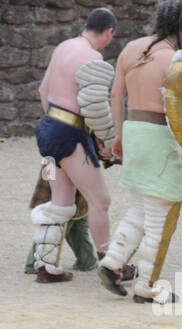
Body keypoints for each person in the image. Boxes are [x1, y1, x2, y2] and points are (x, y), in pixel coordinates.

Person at [97, 1, 182, 304]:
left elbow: (116, 95)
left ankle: (113, 260)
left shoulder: (130, 48)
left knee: (140, 206)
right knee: (162, 212)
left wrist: (118, 134)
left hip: (133, 130)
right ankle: (146, 285)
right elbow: (175, 109)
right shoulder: (176, 57)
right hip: (158, 136)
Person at [31, 7, 117, 283]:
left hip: (47, 134)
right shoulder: (93, 57)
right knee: (100, 200)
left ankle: (44, 268)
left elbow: (44, 91)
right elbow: (93, 107)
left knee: (61, 203)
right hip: (68, 136)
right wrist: (107, 141)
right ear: (109, 32)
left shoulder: (63, 47)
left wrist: (54, 125)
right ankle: (110, 266)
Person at [26, 167, 100, 277]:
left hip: (68, 168)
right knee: (54, 223)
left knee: (77, 221)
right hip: (66, 170)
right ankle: (35, 263)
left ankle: (87, 260)